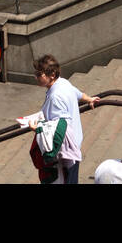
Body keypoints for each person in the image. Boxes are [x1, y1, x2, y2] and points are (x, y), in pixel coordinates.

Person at [34, 54, 99, 184]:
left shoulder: (55, 97)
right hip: (74, 147)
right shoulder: (64, 83)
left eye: (39, 74)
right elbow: (79, 94)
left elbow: (60, 128)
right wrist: (89, 99)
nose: (36, 78)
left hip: (65, 154)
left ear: (51, 74)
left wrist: (37, 128)